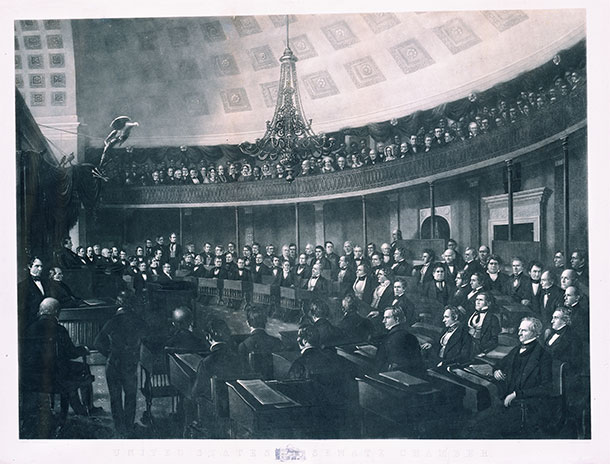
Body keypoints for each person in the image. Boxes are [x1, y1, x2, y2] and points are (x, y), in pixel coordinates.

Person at [24, 297, 99, 417]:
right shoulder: (59, 329)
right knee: (83, 369)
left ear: (40, 310)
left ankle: (78, 407)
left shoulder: (30, 328)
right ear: (56, 312)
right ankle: (88, 408)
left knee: (68, 372)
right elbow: (70, 353)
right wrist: (83, 349)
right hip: (55, 376)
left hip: (32, 375)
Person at [94, 292, 148, 437]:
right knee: (131, 396)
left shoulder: (111, 321)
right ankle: (129, 427)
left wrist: (110, 354)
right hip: (130, 364)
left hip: (114, 363)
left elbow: (98, 343)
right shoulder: (139, 321)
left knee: (115, 396)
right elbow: (147, 340)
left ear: (118, 304)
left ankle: (119, 428)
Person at [491, 317, 553, 436]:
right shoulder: (516, 349)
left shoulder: (543, 355)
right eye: (519, 330)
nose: (519, 333)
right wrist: (496, 370)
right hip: (507, 401)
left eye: (524, 330)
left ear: (535, 333)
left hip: (527, 406)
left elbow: (546, 388)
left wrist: (516, 394)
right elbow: (499, 364)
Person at [375, 307, 425, 375]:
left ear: (397, 319)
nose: (383, 321)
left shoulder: (396, 337)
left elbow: (395, 365)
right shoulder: (403, 334)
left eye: (387, 318)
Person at [238, 308, 283, 375]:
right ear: (265, 321)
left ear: (248, 323)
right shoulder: (276, 341)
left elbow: (244, 372)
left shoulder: (244, 345)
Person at [18, 257, 47, 336]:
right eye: (37, 266)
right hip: (30, 325)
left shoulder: (46, 283)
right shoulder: (22, 286)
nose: (40, 269)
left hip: (46, 323)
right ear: (29, 266)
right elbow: (22, 309)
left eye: (41, 266)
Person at [466, 292, 500, 356]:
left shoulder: (493, 319)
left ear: (488, 303)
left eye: (481, 300)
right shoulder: (472, 314)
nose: (477, 302)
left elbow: (494, 340)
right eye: (476, 299)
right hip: (467, 346)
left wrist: (484, 352)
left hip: (479, 348)